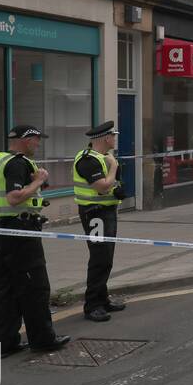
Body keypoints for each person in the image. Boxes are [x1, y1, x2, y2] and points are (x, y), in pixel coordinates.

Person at [0, 125, 70, 354]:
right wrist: (38, 180)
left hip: (0, 229)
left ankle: (5, 343)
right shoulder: (17, 163)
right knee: (35, 286)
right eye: (36, 140)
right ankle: (42, 340)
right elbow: (14, 197)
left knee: (5, 288)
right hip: (20, 230)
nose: (38, 144)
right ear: (26, 139)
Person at [73, 120, 127, 322]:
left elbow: (111, 186)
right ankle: (92, 305)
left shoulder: (103, 157)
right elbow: (102, 187)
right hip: (95, 214)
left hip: (106, 212)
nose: (115, 138)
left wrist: (118, 189)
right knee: (99, 258)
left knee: (106, 257)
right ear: (105, 138)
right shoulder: (88, 160)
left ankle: (103, 300)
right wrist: (113, 167)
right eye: (113, 135)